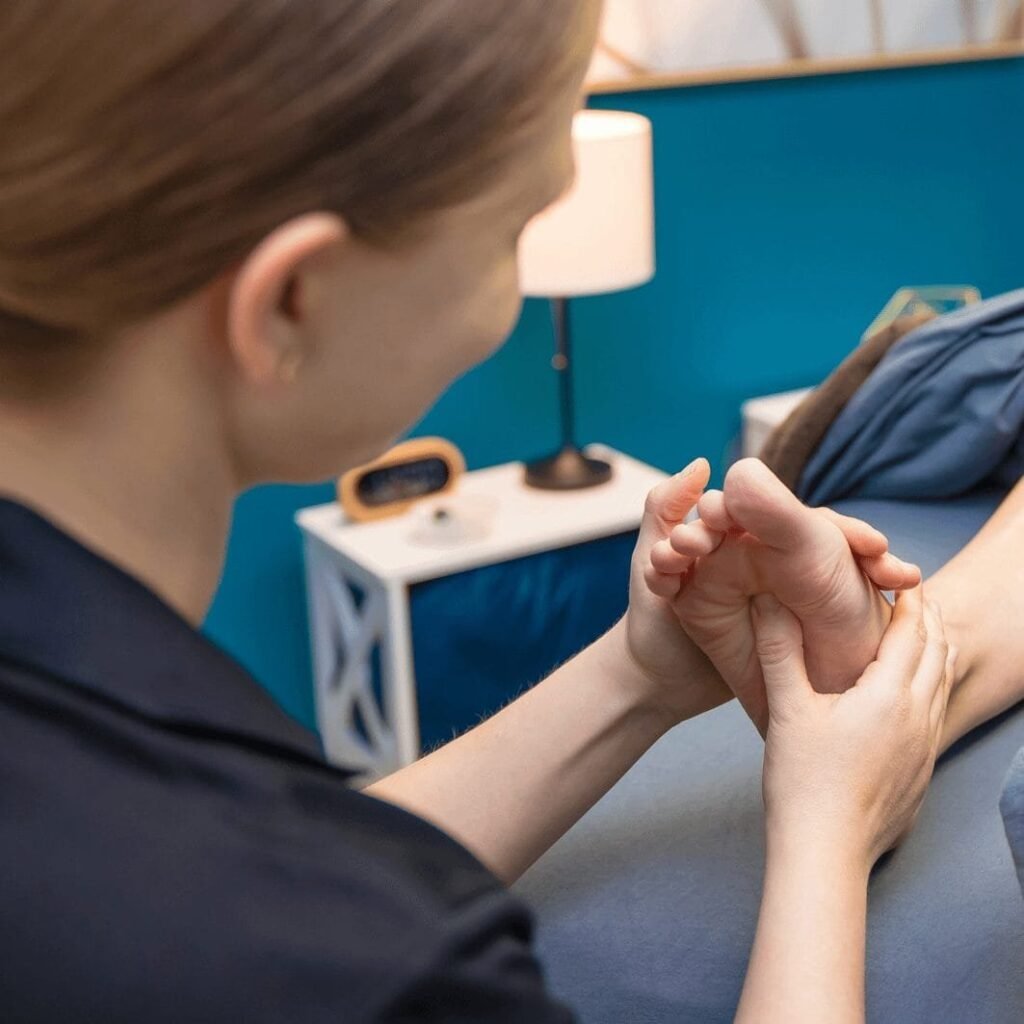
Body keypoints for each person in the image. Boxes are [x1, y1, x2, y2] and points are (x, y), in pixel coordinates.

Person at [0, 3, 963, 1021]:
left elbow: (265, 875)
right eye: (512, 232)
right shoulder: (351, 969)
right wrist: (829, 828)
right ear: (292, 299)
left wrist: (637, 673)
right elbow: (285, 926)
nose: (508, 300)